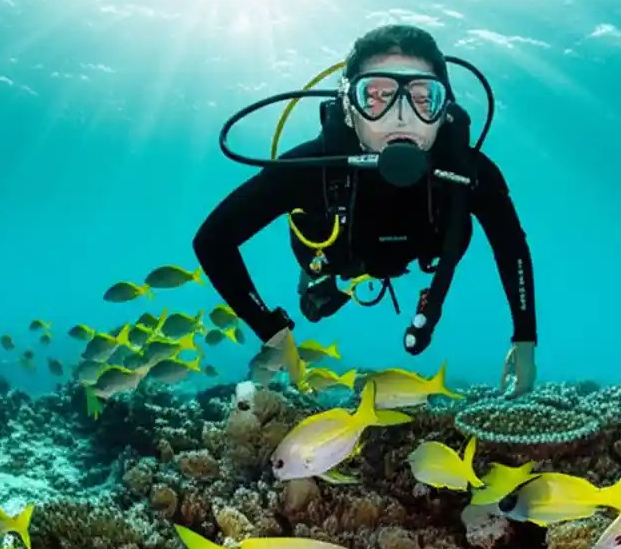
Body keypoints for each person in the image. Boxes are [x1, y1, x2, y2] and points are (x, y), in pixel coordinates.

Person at [193, 24, 537, 394]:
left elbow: (510, 245)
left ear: (444, 109)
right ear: (348, 104)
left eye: (423, 98)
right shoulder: (309, 168)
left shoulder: (468, 173)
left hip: (415, 254)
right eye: (377, 96)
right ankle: (312, 277)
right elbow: (213, 240)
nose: (401, 117)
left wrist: (525, 337)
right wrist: (272, 331)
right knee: (318, 283)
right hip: (333, 255)